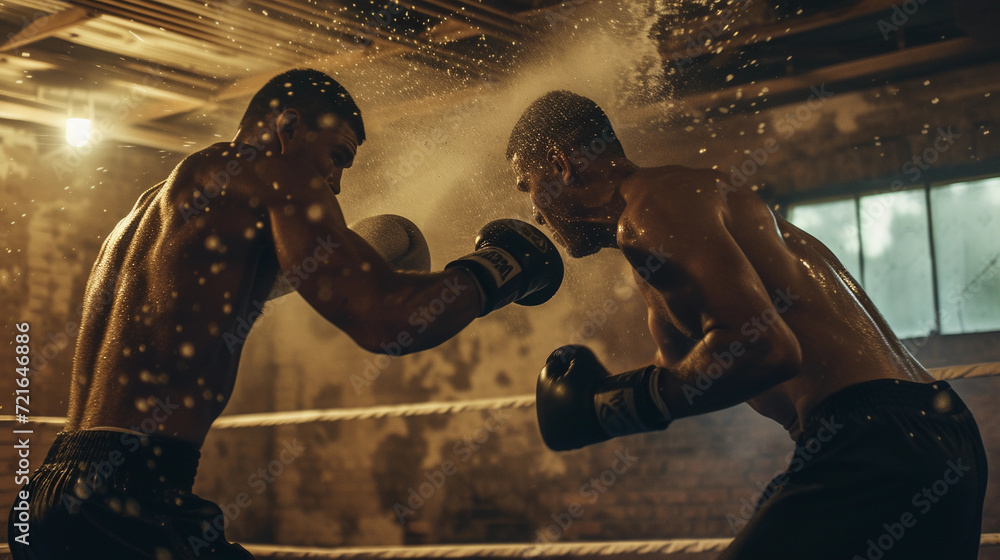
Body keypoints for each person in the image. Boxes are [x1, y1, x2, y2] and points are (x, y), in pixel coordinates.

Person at [7, 69, 563, 560]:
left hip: (53, 491)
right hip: (131, 499)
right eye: (338, 154)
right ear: (287, 127)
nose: (338, 180)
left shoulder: (149, 214)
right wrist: (501, 268)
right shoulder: (271, 172)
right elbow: (387, 319)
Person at [512, 91, 987, 559]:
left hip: (875, 438)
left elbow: (766, 349)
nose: (533, 210)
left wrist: (610, 407)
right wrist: (603, 397)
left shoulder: (656, 206)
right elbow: (686, 376)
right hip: (936, 431)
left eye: (526, 185)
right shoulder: (653, 242)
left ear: (561, 165)